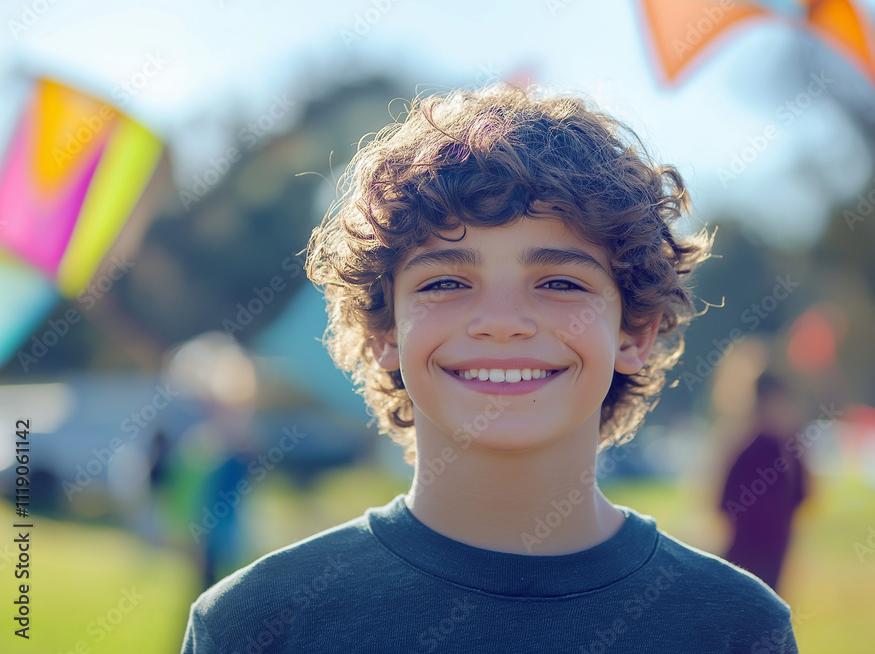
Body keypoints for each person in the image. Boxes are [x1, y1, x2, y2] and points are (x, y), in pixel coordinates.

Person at [181, 83, 799, 652]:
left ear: (633, 332)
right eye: (448, 280)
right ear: (383, 333)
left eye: (558, 281)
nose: (502, 321)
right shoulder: (255, 625)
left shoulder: (737, 627)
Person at [720, 371, 810, 593]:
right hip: (748, 551)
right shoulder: (751, 448)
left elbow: (802, 495)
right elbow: (725, 502)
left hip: (775, 549)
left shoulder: (788, 447)